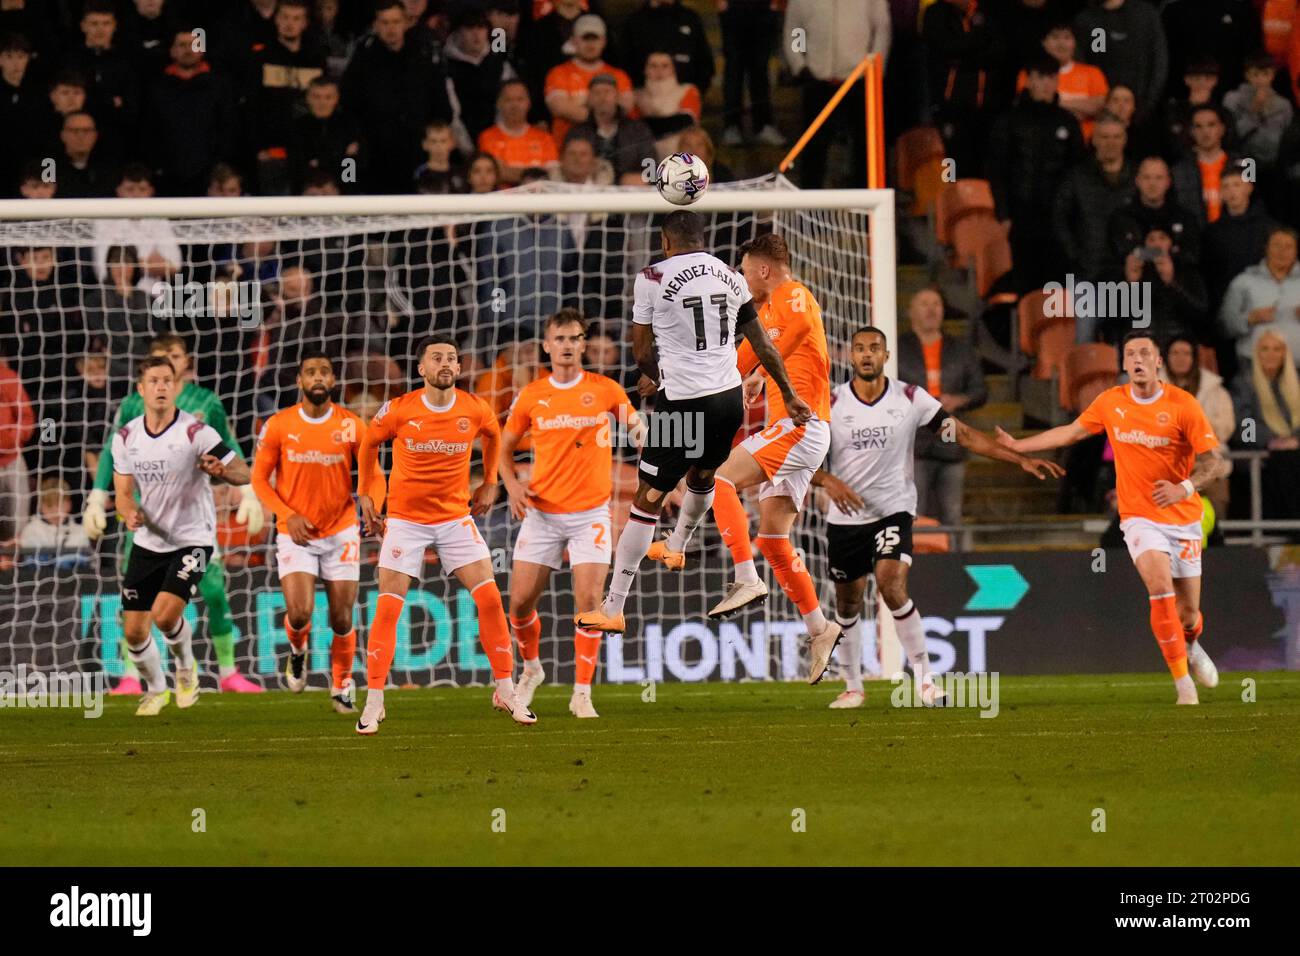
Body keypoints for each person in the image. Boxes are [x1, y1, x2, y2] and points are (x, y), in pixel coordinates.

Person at [574, 211, 811, 637]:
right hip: (728, 401)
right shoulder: (729, 276)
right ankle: (679, 545)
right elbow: (762, 345)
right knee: (705, 478)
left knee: (647, 499)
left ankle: (613, 606)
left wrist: (657, 377)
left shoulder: (650, 276)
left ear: (666, 241)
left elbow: (641, 351)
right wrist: (790, 394)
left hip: (679, 404)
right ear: (702, 239)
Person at [810, 326, 1062, 708]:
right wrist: (828, 480)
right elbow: (795, 458)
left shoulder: (910, 398)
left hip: (893, 511)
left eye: (874, 348)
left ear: (886, 356)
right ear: (849, 357)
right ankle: (853, 686)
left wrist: (1020, 459)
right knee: (848, 603)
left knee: (891, 584)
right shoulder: (830, 403)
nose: (866, 355)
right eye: (859, 349)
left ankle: (926, 681)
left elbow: (962, 435)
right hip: (846, 520)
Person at [996, 331, 1230, 705]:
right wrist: (1018, 445)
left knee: (1187, 614)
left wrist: (1183, 489)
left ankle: (1193, 643)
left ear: (1158, 362)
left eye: (1145, 353)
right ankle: (1183, 686)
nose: (1137, 358)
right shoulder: (1111, 402)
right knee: (1158, 588)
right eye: (1130, 353)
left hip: (1182, 515)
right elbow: (1071, 432)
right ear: (1123, 364)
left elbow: (1216, 463)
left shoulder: (1183, 405)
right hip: (1138, 516)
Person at [650, 233, 840, 674]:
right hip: (795, 431)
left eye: (744, 267)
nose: (740, 275)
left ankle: (744, 577)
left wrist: (749, 370)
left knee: (718, 477)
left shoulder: (794, 294)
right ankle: (819, 629)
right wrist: (748, 375)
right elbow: (741, 360)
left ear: (764, 269)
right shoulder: (764, 312)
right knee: (773, 539)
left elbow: (797, 332)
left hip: (802, 426)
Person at [355, 334, 532, 733]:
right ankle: (375, 700)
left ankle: (506, 689)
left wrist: (489, 481)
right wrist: (368, 491)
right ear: (422, 369)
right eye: (436, 358)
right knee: (388, 606)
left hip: (454, 518)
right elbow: (369, 442)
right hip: (405, 519)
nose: (445, 363)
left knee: (489, 597)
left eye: (451, 357)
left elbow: (493, 436)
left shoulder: (475, 408)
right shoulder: (400, 409)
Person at [85, 334, 266, 696]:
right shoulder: (132, 407)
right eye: (159, 359)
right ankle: (132, 677)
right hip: (145, 519)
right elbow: (110, 450)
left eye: (174, 356)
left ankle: (228, 671)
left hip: (193, 521)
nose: (166, 365)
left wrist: (248, 491)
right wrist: (98, 496)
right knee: (135, 603)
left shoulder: (204, 405)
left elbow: (228, 447)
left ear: (185, 363)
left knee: (213, 591)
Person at [499, 309, 641, 719]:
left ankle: (581, 692)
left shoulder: (606, 390)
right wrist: (511, 485)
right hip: (541, 513)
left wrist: (646, 440)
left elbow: (635, 427)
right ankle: (532, 670)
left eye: (573, 338)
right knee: (520, 604)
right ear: (547, 345)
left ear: (584, 344)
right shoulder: (531, 395)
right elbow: (503, 450)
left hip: (590, 513)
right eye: (558, 339)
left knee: (589, 601)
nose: (565, 346)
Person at [252, 351, 365, 712]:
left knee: (342, 617)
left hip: (341, 529)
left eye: (325, 371)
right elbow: (258, 480)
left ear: (333, 381)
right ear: (299, 381)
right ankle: (298, 651)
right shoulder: (280, 425)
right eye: (311, 372)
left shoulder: (351, 426)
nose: (319, 377)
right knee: (299, 613)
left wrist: (371, 502)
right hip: (295, 531)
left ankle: (343, 684)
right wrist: (288, 514)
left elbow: (372, 473)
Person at [988, 52, 1085, 293]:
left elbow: (1078, 172)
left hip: (1059, 218)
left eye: (1051, 77)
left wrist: (1074, 215)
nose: (1045, 84)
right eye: (1040, 77)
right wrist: (1003, 213)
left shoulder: (1068, 121)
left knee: (1059, 287)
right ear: (1028, 80)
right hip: (1022, 216)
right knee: (1026, 284)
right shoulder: (1009, 121)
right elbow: (996, 170)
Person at [897, 289, 987, 526]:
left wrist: (958, 400)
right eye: (924, 303)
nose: (931, 309)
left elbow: (980, 390)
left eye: (936, 303)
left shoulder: (961, 349)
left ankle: (952, 561)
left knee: (952, 514)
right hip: (913, 441)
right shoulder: (897, 349)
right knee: (914, 512)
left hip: (950, 438)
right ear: (911, 312)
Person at [787, 0, 890, 188]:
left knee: (864, 150)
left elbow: (882, 28)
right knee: (813, 150)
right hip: (818, 80)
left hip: (858, 79)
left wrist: (874, 69)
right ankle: (809, 209)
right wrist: (800, 65)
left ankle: (865, 209)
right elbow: (795, 29)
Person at [1163, 335, 1234, 520]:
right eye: (1175, 353)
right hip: (1165, 465)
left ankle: (1216, 546)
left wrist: (1193, 428)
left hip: (1207, 462)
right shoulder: (1149, 390)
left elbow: (1226, 427)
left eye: (1186, 353)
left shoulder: (1216, 390)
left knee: (1216, 507)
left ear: (1194, 357)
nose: (1180, 358)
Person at [1232, 331, 1300, 521]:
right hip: (1260, 453)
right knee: (1286, 461)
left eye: (1277, 349)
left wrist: (1295, 440)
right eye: (1265, 349)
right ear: (1256, 353)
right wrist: (1272, 441)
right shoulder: (1243, 384)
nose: (1271, 354)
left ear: (1284, 354)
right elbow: (1244, 427)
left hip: (1294, 451)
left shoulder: (1297, 384)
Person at [543, 13, 633, 148]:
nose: (590, 44)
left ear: (604, 41)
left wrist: (580, 102)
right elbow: (559, 108)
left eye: (595, 39)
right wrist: (603, 110)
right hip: (566, 149)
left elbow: (625, 108)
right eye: (585, 38)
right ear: (573, 41)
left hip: (611, 148)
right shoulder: (558, 73)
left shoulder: (619, 75)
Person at [1219, 226, 1300, 371]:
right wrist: (1249, 319)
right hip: (1252, 370)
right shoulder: (1243, 281)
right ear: (1266, 248)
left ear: (1296, 251)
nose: (1282, 251)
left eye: (1288, 246)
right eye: (1276, 245)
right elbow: (1224, 327)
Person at [566, 73, 657, 184]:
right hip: (590, 190)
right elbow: (567, 167)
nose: (602, 97)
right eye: (597, 93)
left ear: (617, 96)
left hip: (629, 190)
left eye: (607, 92)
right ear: (589, 99)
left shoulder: (638, 130)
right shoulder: (577, 133)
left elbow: (651, 164)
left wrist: (646, 179)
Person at [717, 0, 782, 146]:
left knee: (760, 70)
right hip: (733, 8)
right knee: (734, 70)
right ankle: (731, 126)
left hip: (764, 9)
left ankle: (763, 125)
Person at [477, 79, 559, 184]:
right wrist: (536, 174)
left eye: (520, 99)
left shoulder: (544, 138)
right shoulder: (487, 137)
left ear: (528, 103)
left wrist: (509, 170)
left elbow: (554, 175)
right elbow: (496, 173)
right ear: (498, 103)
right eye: (508, 100)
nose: (514, 105)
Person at [1222, 50, 1293, 167]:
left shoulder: (1283, 104)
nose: (1260, 79)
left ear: (1273, 74)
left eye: (1265, 74)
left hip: (1274, 162)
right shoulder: (1233, 99)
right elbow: (1232, 134)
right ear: (1247, 75)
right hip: (1244, 160)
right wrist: (1254, 111)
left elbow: (1286, 135)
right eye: (1255, 74)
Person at [19, 477, 89, 551]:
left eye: (59, 505)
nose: (55, 511)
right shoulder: (32, 530)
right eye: (49, 506)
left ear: (69, 504)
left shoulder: (80, 532)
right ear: (40, 506)